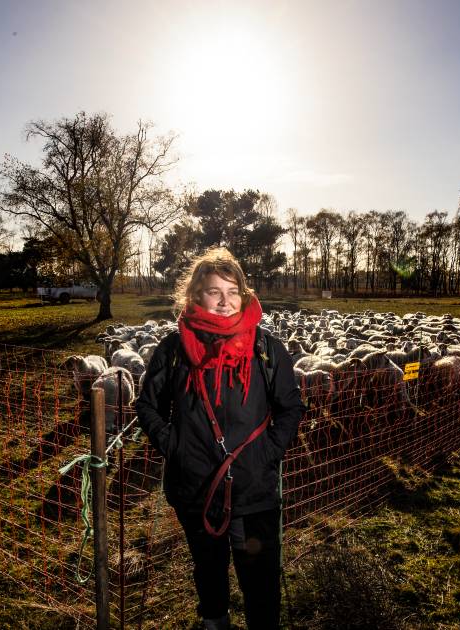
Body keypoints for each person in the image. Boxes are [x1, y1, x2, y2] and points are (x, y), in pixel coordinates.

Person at [135, 248, 305, 630]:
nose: (225, 301)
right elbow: (148, 406)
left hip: (253, 487)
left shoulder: (266, 349)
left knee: (260, 578)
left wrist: (268, 452)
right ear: (197, 296)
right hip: (195, 487)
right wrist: (176, 447)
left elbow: (290, 408)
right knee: (208, 567)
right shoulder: (174, 350)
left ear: (244, 295)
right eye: (215, 291)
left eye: (233, 291)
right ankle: (215, 621)